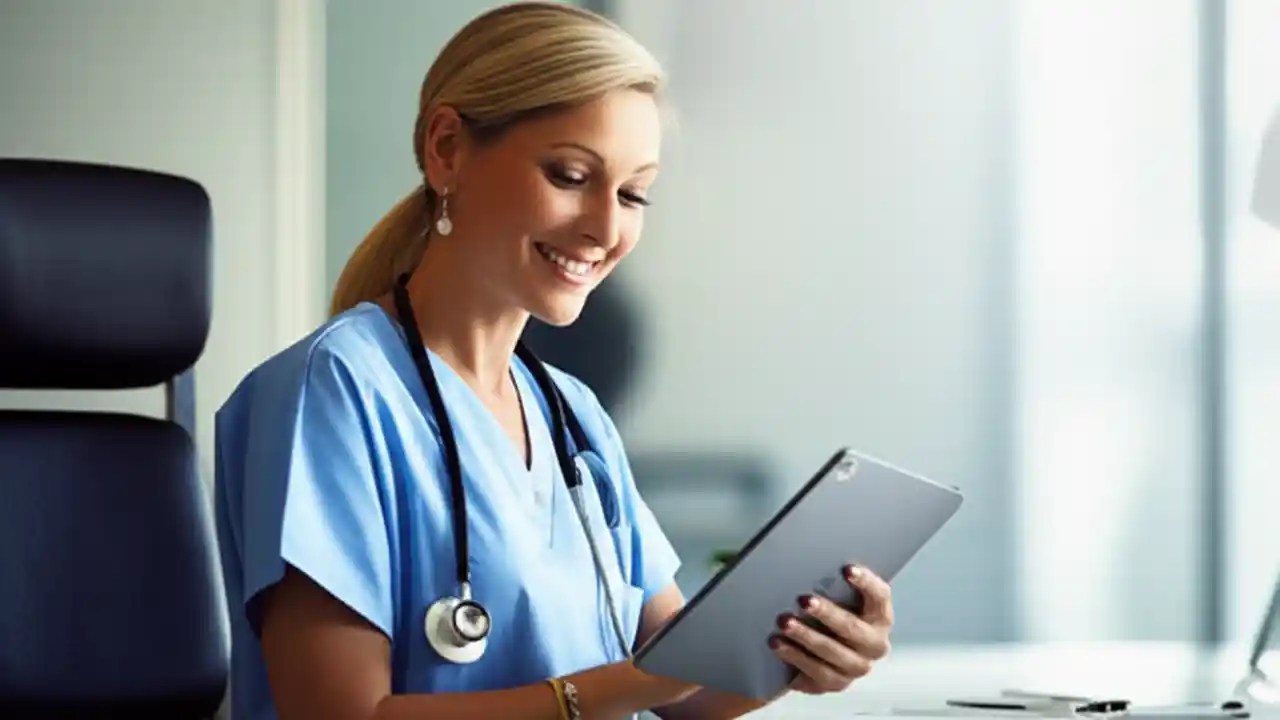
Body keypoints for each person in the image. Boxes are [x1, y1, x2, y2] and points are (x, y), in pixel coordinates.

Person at [213, 3, 894, 718]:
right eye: (571, 175)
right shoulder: (334, 390)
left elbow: (689, 692)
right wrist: (629, 684)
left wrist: (795, 651)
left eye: (633, 194)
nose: (606, 227)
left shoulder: (572, 415)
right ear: (446, 149)